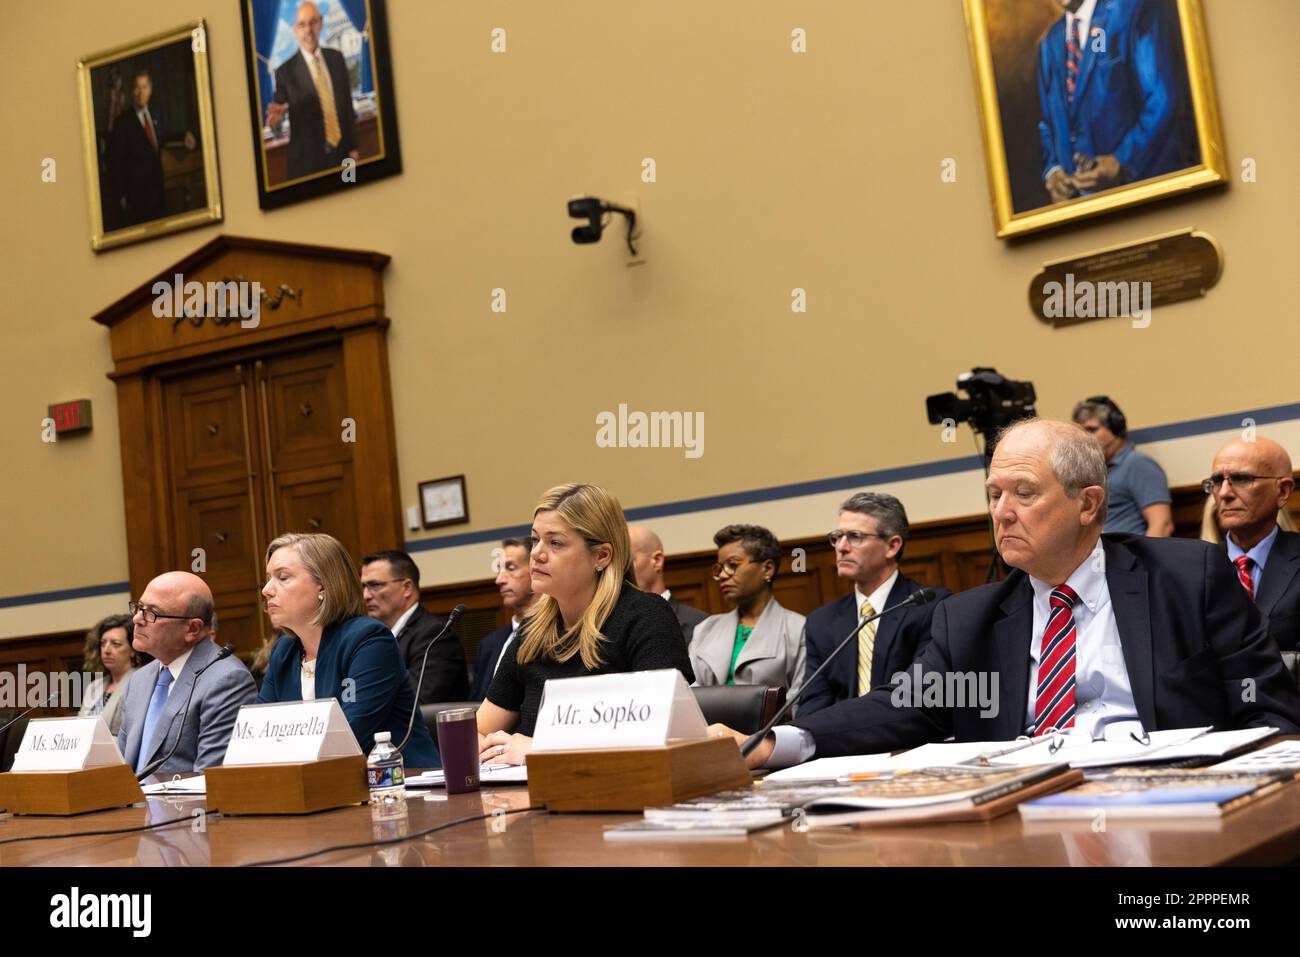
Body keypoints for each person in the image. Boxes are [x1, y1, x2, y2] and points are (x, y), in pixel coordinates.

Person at [719, 419, 1300, 768]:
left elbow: (1270, 712)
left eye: (1023, 492)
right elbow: (905, 706)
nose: (1001, 512)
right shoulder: (969, 617)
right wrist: (779, 742)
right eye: (994, 494)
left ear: (1088, 504)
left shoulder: (1187, 579)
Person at [477, 484, 693, 765]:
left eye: (555, 543)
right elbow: (479, 731)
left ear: (601, 556)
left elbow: (663, 733)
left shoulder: (646, 616)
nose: (537, 554)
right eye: (535, 540)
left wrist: (544, 749)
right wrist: (494, 752)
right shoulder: (532, 632)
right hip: (524, 786)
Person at [258, 533, 438, 766]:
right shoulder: (284, 651)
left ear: (323, 585)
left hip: (398, 780)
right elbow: (258, 735)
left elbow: (348, 737)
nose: (267, 590)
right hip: (318, 782)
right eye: (268, 579)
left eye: (282, 577)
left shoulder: (368, 641)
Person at [799, 493, 950, 718]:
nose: (841, 547)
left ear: (892, 546)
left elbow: (917, 696)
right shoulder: (821, 621)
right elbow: (812, 705)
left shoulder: (932, 607)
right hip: (836, 736)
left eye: (855, 536)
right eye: (837, 537)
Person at [1037, 0, 1192, 204]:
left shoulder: (1134, 11)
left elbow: (1161, 100)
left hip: (1142, 197)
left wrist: (1120, 161)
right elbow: (1047, 122)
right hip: (1079, 208)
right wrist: (1053, 170)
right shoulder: (1050, 43)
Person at [117, 573, 256, 775]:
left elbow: (209, 776)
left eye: (152, 613)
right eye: (139, 608)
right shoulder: (139, 679)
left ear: (192, 629)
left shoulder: (227, 680)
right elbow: (121, 765)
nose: (137, 619)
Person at [1204, 436, 1299, 651]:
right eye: (1217, 481)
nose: (1224, 493)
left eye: (1241, 479)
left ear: (1283, 491)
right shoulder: (1193, 569)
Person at [689, 525, 805, 691]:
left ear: (767, 569)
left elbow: (800, 697)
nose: (722, 575)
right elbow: (690, 693)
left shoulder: (798, 629)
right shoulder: (705, 630)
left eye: (732, 565)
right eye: (720, 568)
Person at [265, 2, 359, 182]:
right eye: (302, 25)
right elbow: (277, 119)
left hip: (342, 157)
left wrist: (353, 150)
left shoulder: (336, 59)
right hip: (306, 164)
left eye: (313, 22)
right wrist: (275, 122)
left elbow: (347, 108)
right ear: (295, 30)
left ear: (321, 23)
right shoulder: (285, 73)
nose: (308, 30)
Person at [361, 550, 469, 704]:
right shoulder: (371, 637)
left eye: (375, 585)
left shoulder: (435, 636)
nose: (366, 595)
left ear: (407, 588)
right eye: (364, 586)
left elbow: (417, 701)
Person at [107, 69, 197, 225]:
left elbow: (163, 135)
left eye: (144, 87)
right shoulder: (122, 123)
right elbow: (116, 162)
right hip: (136, 197)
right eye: (137, 87)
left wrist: (184, 135)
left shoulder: (155, 114)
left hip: (158, 191)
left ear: (150, 89)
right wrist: (121, 196)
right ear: (132, 91)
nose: (141, 92)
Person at [1073, 395, 1172, 536]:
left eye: (1091, 430)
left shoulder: (1137, 464)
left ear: (1115, 428)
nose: (1085, 438)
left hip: (1127, 549)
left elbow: (1162, 525)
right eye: (1082, 432)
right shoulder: (1093, 472)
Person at [472, 538, 539, 701]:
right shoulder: (488, 645)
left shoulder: (556, 635)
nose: (499, 580)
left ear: (536, 570)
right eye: (499, 569)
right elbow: (474, 703)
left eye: (510, 568)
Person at [629, 525, 708, 647]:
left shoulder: (699, 625)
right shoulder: (613, 626)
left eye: (629, 562)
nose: (622, 572)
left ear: (657, 560)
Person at [78, 614, 141, 736]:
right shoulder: (94, 686)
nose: (106, 650)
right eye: (103, 643)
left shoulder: (141, 682)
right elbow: (80, 725)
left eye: (115, 644)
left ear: (133, 650)